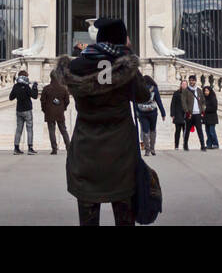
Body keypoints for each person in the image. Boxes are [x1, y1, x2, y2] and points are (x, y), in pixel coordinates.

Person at [56, 18, 151, 226]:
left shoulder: (76, 66)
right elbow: (143, 95)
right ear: (120, 39)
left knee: (88, 219)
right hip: (120, 155)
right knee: (124, 217)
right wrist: (128, 55)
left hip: (86, 152)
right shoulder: (126, 67)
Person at [40, 71, 71, 155]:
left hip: (49, 112)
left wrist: (45, 110)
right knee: (63, 130)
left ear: (51, 77)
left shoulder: (46, 88)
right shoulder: (63, 88)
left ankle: (54, 149)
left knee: (51, 131)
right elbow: (67, 101)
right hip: (60, 112)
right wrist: (63, 108)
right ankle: (68, 147)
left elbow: (42, 101)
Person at [9, 69, 39, 155]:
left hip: (19, 110)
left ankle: (16, 148)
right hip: (27, 110)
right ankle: (30, 148)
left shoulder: (16, 86)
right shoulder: (26, 86)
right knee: (29, 129)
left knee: (18, 129)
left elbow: (11, 97)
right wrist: (35, 87)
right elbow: (34, 96)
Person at [134, 75, 165, 156]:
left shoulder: (139, 89)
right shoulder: (154, 89)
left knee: (145, 131)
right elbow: (159, 101)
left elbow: (135, 102)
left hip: (142, 112)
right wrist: (163, 113)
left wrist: (136, 112)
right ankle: (152, 148)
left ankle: (147, 150)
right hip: (152, 112)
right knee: (153, 130)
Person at [180, 74, 207, 151]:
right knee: (187, 130)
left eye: (193, 80)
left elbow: (203, 101)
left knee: (200, 130)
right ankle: (185, 145)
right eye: (190, 80)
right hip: (190, 114)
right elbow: (183, 102)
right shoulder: (186, 91)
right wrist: (187, 111)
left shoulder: (199, 90)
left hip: (198, 113)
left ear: (195, 81)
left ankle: (202, 145)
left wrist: (203, 110)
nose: (192, 82)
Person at [201, 85, 220, 149]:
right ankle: (209, 144)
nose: (206, 92)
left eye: (207, 91)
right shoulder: (203, 99)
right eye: (205, 91)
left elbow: (214, 108)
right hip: (206, 118)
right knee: (207, 132)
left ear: (210, 91)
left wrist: (205, 109)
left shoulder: (213, 98)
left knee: (212, 132)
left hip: (212, 118)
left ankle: (215, 144)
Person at [169, 83, 187, 149]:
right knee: (177, 131)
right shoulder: (176, 93)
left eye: (185, 84)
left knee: (186, 131)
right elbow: (173, 104)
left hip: (186, 115)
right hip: (178, 114)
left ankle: (185, 144)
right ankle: (176, 145)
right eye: (183, 84)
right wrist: (172, 114)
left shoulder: (189, 93)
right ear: (180, 85)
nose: (184, 86)